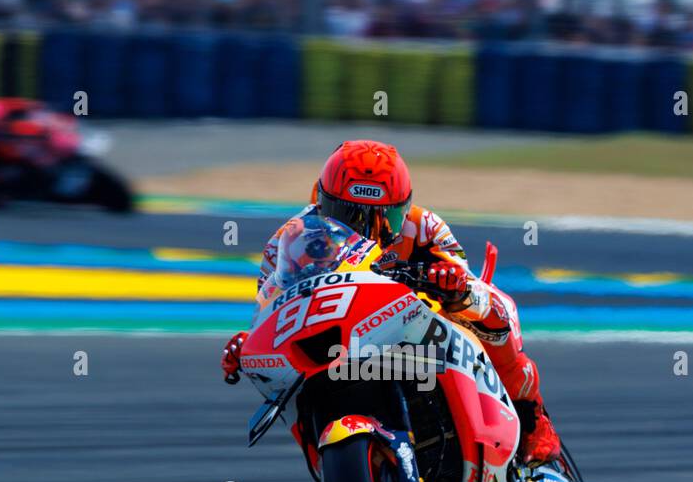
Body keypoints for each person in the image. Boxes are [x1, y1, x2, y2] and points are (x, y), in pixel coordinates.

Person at [222, 139, 562, 464]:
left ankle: (533, 418)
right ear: (321, 202)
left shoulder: (424, 225)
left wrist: (454, 287)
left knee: (493, 308)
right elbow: (270, 305)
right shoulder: (291, 240)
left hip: (420, 323)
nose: (368, 229)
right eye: (348, 215)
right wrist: (249, 342)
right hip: (342, 330)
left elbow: (465, 280)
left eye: (383, 216)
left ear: (404, 208)